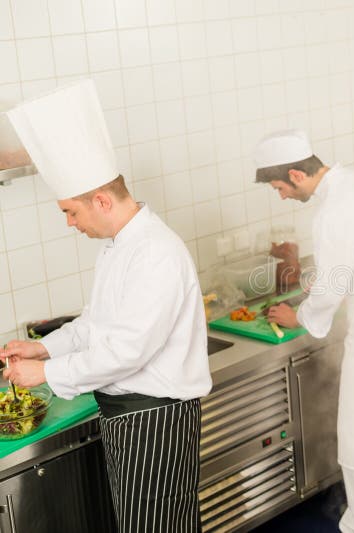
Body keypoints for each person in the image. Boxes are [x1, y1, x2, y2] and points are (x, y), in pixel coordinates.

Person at [1, 80, 211, 532]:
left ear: (101, 199)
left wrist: (45, 376)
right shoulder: (119, 247)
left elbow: (127, 351)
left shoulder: (155, 252)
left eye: (71, 213)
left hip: (155, 418)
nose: (70, 223)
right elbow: (97, 325)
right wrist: (44, 350)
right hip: (131, 415)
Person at [254, 130, 354, 533]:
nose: (282, 196)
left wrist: (301, 316)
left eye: (279, 188)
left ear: (295, 174)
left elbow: (333, 286)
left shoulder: (331, 212)